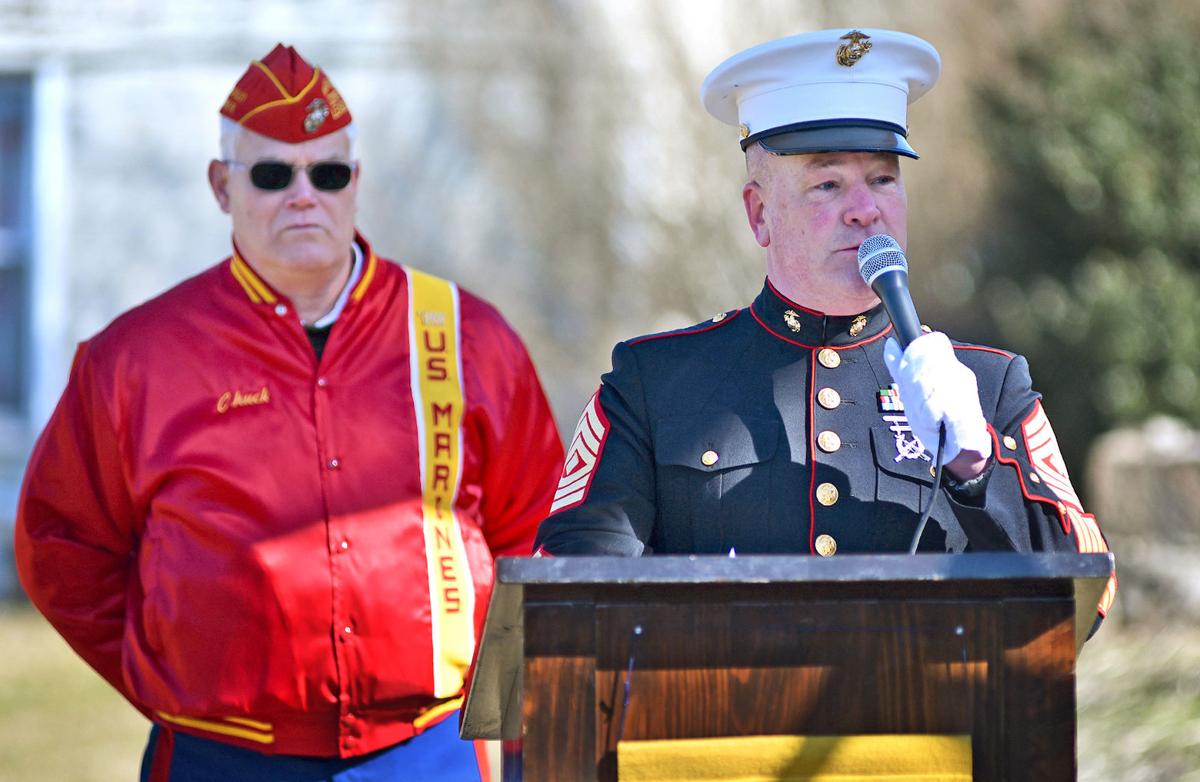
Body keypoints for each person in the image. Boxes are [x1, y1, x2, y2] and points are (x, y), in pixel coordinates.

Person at [15, 44, 563, 781]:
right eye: (273, 174)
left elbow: (539, 528)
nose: (304, 195)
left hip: (427, 749)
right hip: (222, 752)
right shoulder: (135, 359)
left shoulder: (468, 338)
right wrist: (170, 664)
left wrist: (506, 706)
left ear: (355, 182)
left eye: (327, 173)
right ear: (221, 186)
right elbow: (62, 545)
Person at [533, 29, 1114, 620]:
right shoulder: (652, 384)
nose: (866, 209)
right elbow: (568, 596)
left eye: (884, 178)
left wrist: (977, 470)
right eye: (828, 184)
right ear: (760, 214)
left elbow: (1082, 604)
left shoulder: (989, 386)